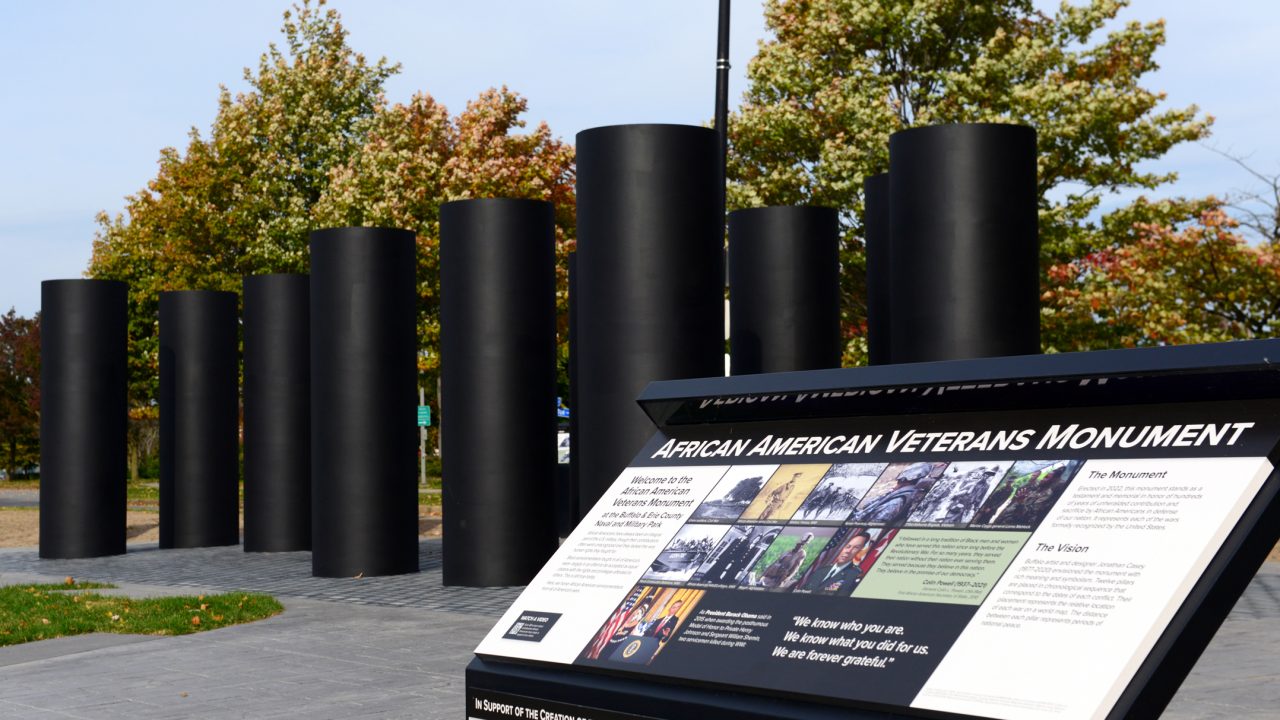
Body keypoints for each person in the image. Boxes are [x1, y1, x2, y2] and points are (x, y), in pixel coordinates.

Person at [800, 531, 870, 593]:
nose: (848, 551)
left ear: (860, 551)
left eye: (856, 548)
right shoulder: (821, 570)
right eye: (848, 546)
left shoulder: (854, 576)